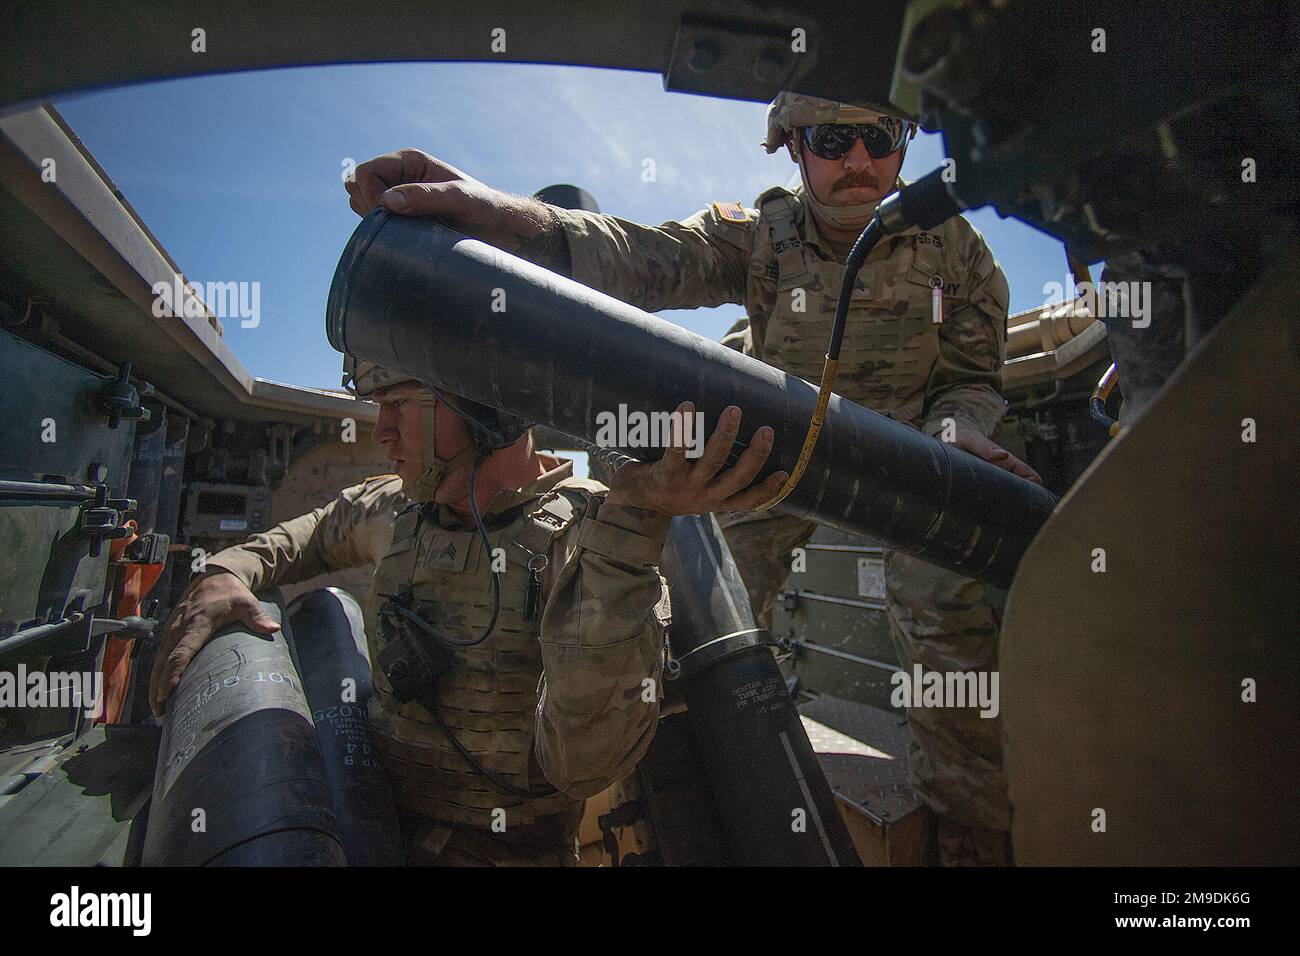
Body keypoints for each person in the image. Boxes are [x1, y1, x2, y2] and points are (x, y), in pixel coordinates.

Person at [342, 91, 1042, 865]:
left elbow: (975, 375)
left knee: (954, 648)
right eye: (835, 138)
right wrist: (504, 219)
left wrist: (957, 429)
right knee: (701, 627)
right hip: (778, 460)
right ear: (793, 147)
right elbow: (644, 257)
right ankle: (672, 794)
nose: (860, 162)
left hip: (917, 463)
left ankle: (971, 837)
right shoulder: (763, 238)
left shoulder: (958, 251)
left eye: (882, 138)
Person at [148, 360, 781, 865]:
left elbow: (584, 765)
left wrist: (630, 536)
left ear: (481, 408)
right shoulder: (395, 511)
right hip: (372, 826)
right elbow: (311, 536)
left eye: (399, 404)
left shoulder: (592, 532)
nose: (382, 432)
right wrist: (226, 570)